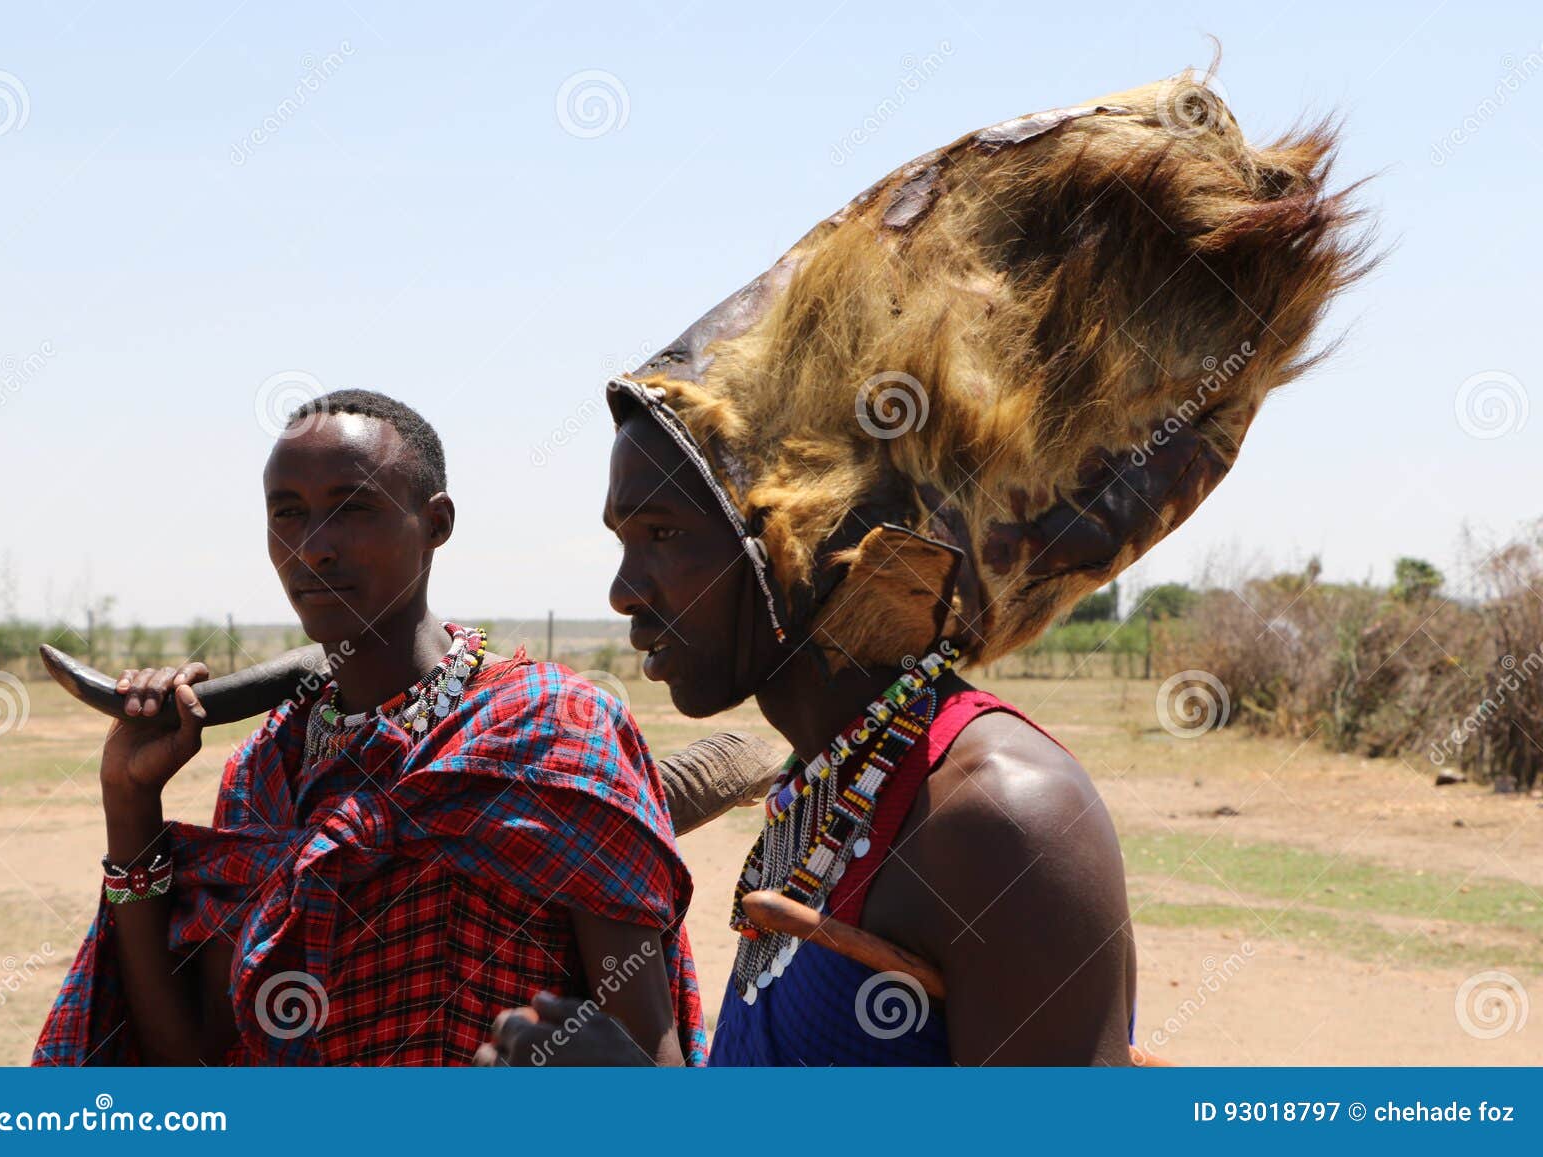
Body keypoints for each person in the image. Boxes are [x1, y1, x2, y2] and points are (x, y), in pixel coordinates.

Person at [479, 70, 1371, 1065]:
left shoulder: (1001, 821)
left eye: (663, 535)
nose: (623, 592)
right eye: (620, 541)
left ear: (789, 532)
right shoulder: (824, 796)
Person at [34, 390, 706, 1066]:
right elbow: (191, 1059)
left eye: (352, 508)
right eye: (287, 513)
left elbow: (649, 1061)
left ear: (435, 523)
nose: (313, 548)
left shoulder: (558, 731)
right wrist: (130, 801)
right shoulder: (266, 769)